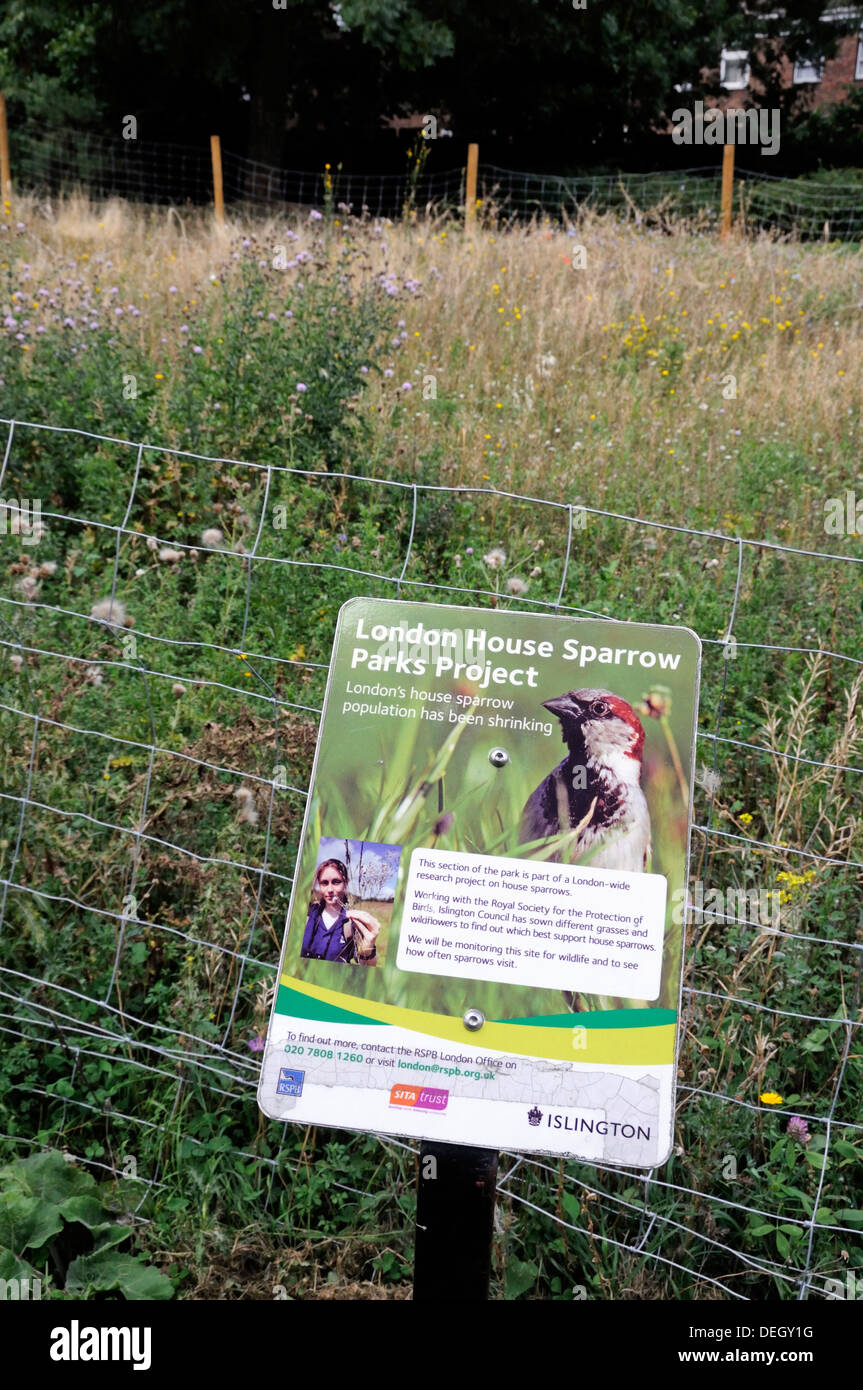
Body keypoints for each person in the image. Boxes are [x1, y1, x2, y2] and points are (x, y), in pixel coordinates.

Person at [300, 858, 381, 966]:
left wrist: (368, 951)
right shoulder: (308, 913)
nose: (330, 889)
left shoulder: (353, 922)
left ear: (346, 883)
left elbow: (366, 966)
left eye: (336, 882)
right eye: (324, 883)